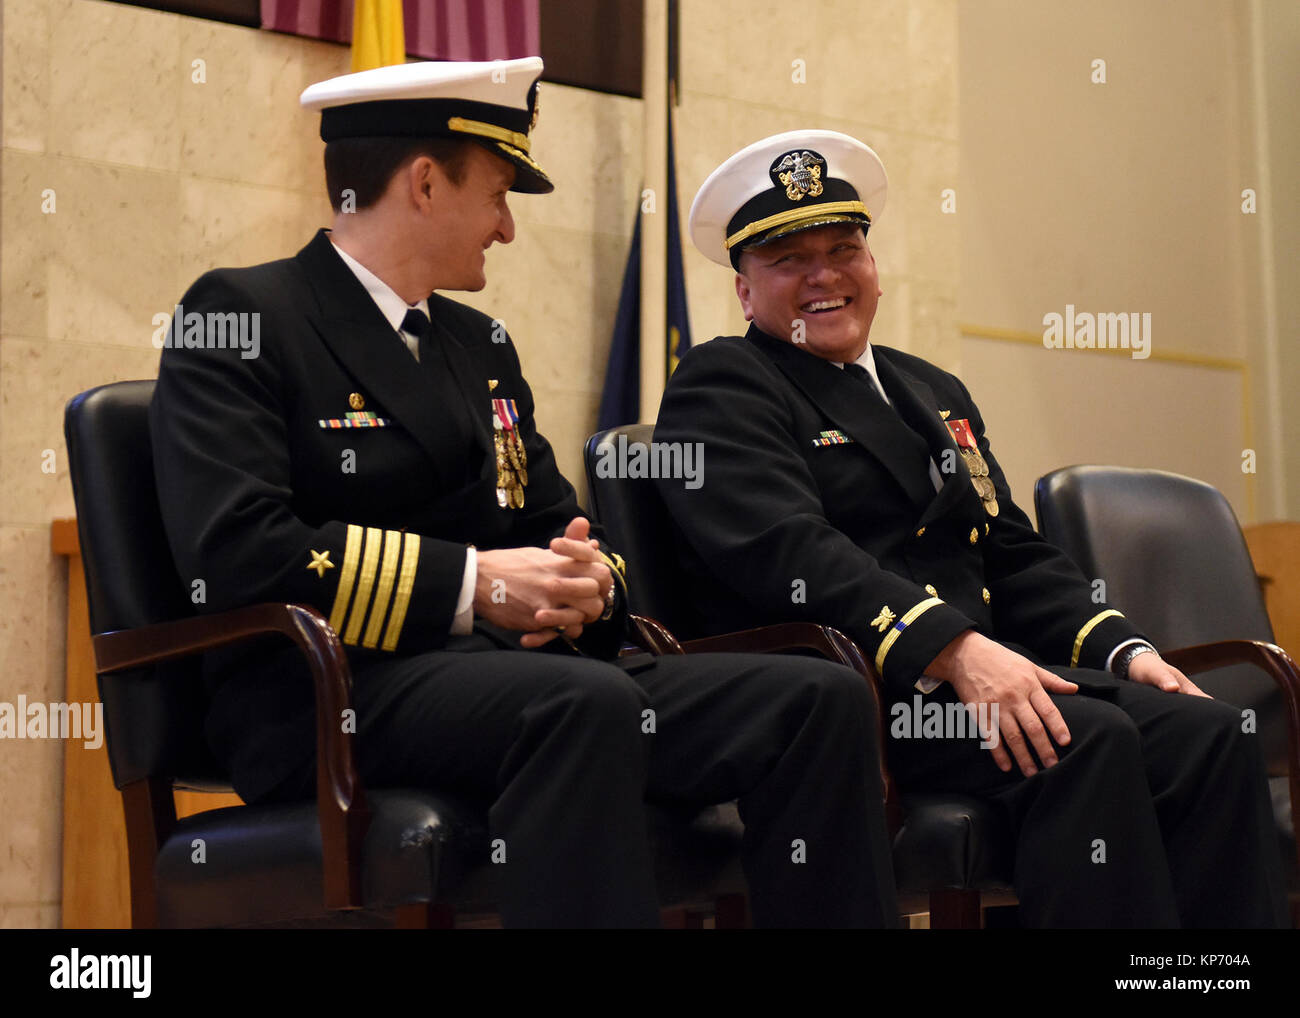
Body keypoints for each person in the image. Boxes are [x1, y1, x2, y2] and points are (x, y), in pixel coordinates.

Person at [148, 64, 898, 928]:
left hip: (516, 675)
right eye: (499, 194)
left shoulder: (477, 343)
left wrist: (594, 579)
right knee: (584, 702)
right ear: (426, 184)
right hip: (333, 690)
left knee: (816, 698)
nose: (507, 230)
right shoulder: (246, 314)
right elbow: (236, 547)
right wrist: (476, 586)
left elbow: (554, 520)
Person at [653, 129, 1288, 927]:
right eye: (789, 260)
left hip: (986, 673)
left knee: (1209, 735)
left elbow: (1010, 551)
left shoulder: (929, 388)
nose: (824, 276)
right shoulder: (725, 381)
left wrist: (1127, 649)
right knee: (1081, 739)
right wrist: (952, 648)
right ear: (745, 291)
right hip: (861, 694)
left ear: (873, 268)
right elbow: (790, 553)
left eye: (843, 248)